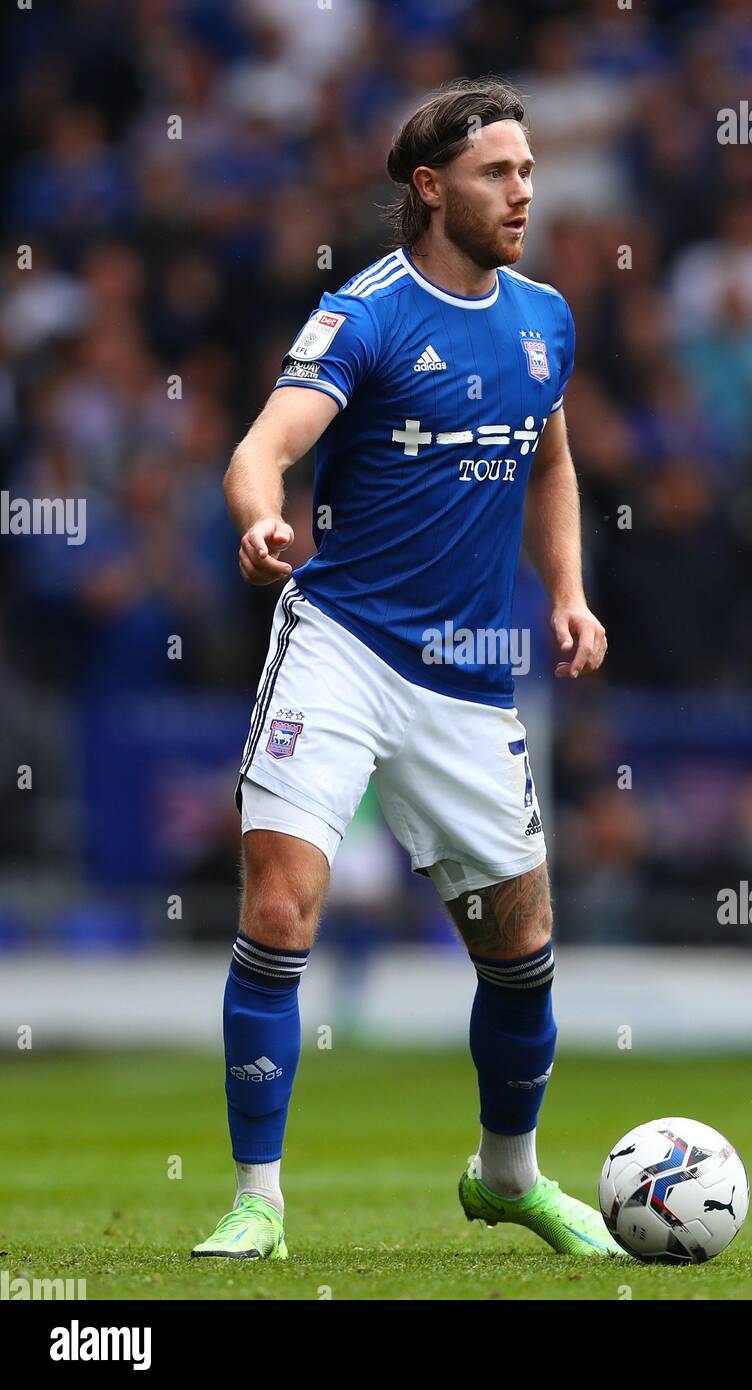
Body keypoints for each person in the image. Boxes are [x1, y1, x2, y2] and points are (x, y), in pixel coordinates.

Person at [192, 77, 611, 1261]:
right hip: (342, 648)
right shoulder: (365, 314)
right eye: (497, 172)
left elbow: (549, 463)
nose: (523, 189)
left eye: (529, 170)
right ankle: (258, 1200)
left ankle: (508, 1175)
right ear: (429, 188)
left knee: (517, 952)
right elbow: (259, 447)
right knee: (278, 905)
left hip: (469, 679)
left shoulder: (545, 320)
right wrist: (262, 517)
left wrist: (569, 593)